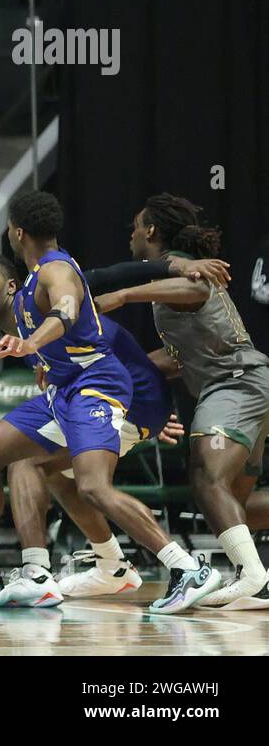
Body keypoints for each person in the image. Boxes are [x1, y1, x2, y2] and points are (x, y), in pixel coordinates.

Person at [0, 191, 218, 613]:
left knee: (91, 484)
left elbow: (64, 311)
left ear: (17, 232)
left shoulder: (56, 270)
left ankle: (186, 568)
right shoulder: (28, 287)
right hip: (71, 390)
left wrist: (32, 344)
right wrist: (41, 357)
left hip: (102, 388)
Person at [0, 252, 187, 606]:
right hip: (105, 397)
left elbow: (111, 279)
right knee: (52, 472)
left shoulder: (44, 300)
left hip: (126, 399)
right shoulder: (20, 323)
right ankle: (110, 565)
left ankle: (181, 566)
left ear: (11, 287)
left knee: (37, 465)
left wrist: (173, 266)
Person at [96, 194, 269, 609]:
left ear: (151, 231)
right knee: (234, 503)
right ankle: (255, 578)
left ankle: (252, 576)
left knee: (205, 477)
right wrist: (118, 372)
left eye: (137, 226)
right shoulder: (170, 282)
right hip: (246, 384)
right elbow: (175, 359)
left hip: (235, 384)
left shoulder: (184, 273)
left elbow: (192, 288)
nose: (132, 233)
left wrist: (121, 297)